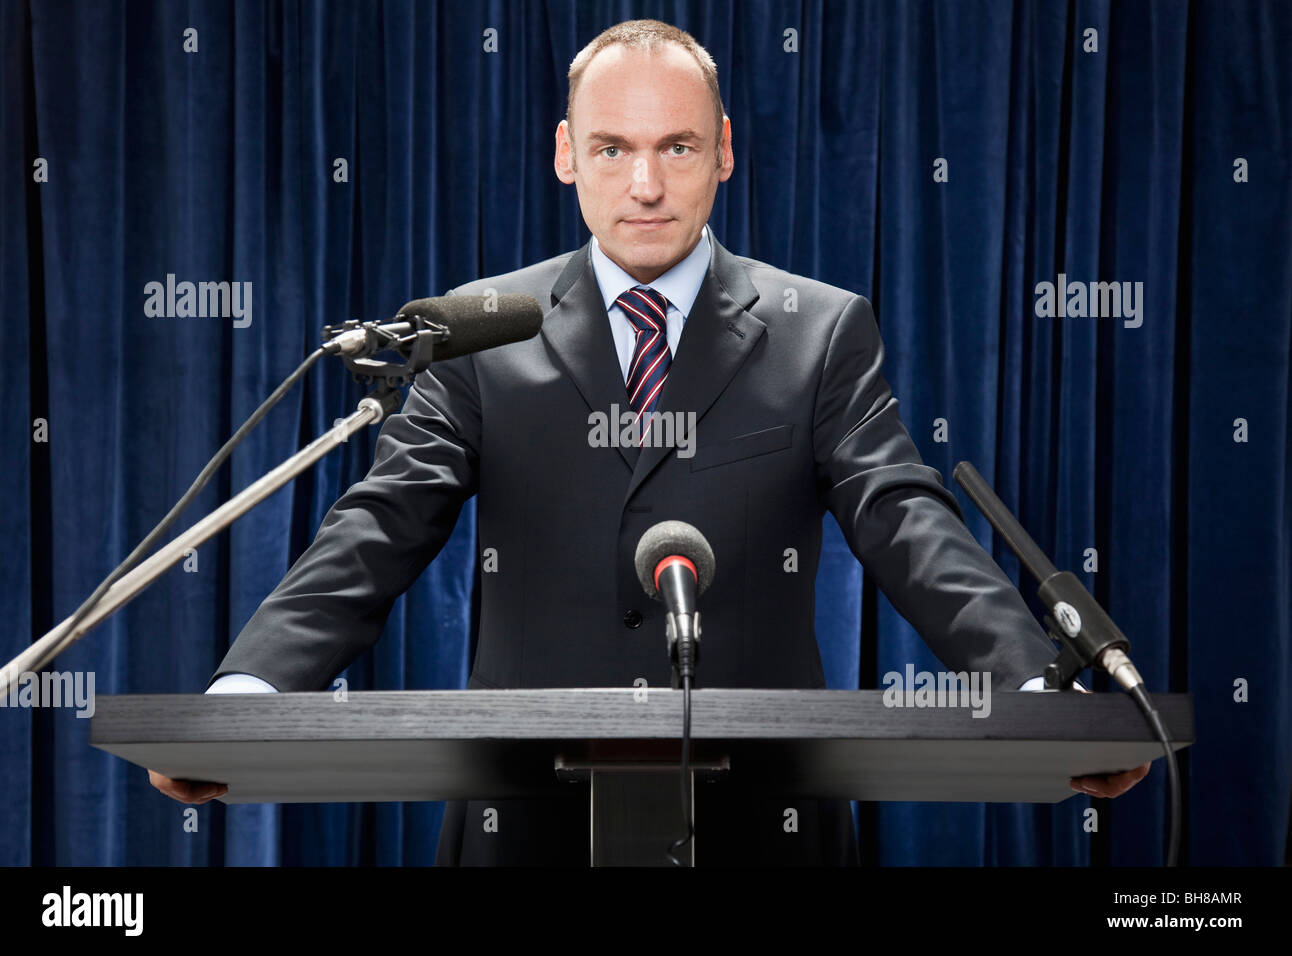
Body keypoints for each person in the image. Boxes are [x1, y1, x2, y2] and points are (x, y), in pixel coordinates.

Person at [150, 19, 1149, 861]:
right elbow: (378, 527)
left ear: (721, 149)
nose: (643, 186)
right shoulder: (479, 329)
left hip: (765, 822)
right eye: (611, 149)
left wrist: (1031, 690)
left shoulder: (819, 329)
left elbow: (902, 517)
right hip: (524, 826)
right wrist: (249, 690)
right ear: (563, 154)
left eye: (674, 147)